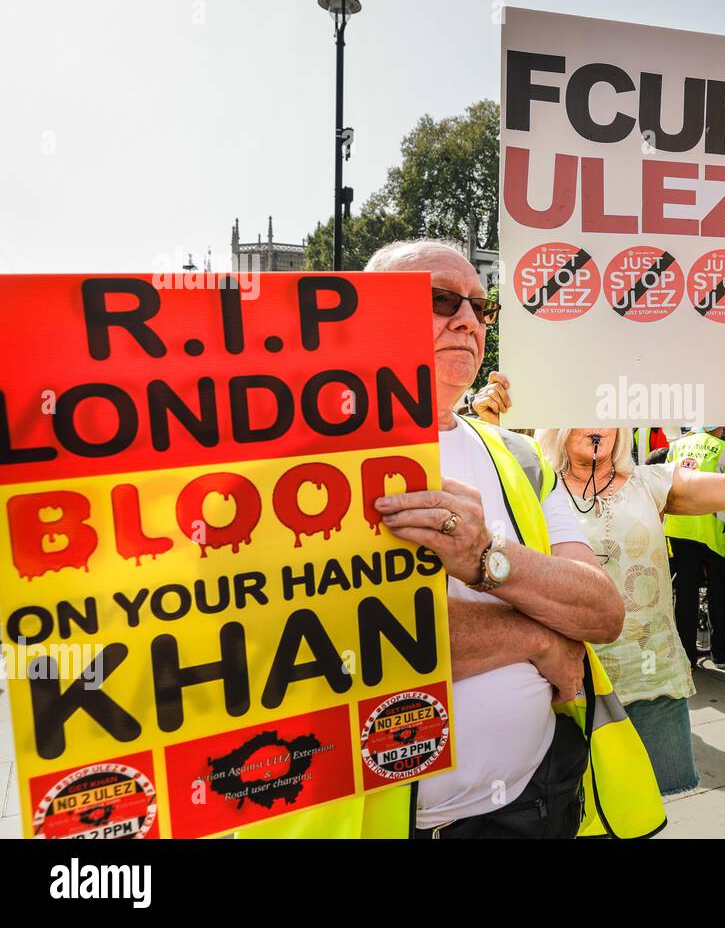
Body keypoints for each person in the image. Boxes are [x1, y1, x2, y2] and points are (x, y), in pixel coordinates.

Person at [245, 239, 660, 839]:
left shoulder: (514, 453)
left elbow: (600, 610)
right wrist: (539, 639)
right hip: (369, 818)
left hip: (533, 804)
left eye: (479, 307)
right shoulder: (304, 464)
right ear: (361, 317)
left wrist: (485, 559)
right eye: (440, 300)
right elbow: (328, 637)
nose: (467, 319)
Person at [520, 384, 725, 796]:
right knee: (575, 807)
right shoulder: (533, 491)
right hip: (567, 682)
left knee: (647, 807)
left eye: (608, 416)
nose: (599, 427)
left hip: (650, 679)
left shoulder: (650, 482)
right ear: (559, 426)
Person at [664, 427, 725, 668]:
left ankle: (686, 656)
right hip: (712, 531)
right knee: (718, 593)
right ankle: (720, 652)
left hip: (679, 528)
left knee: (685, 595)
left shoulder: (677, 445)